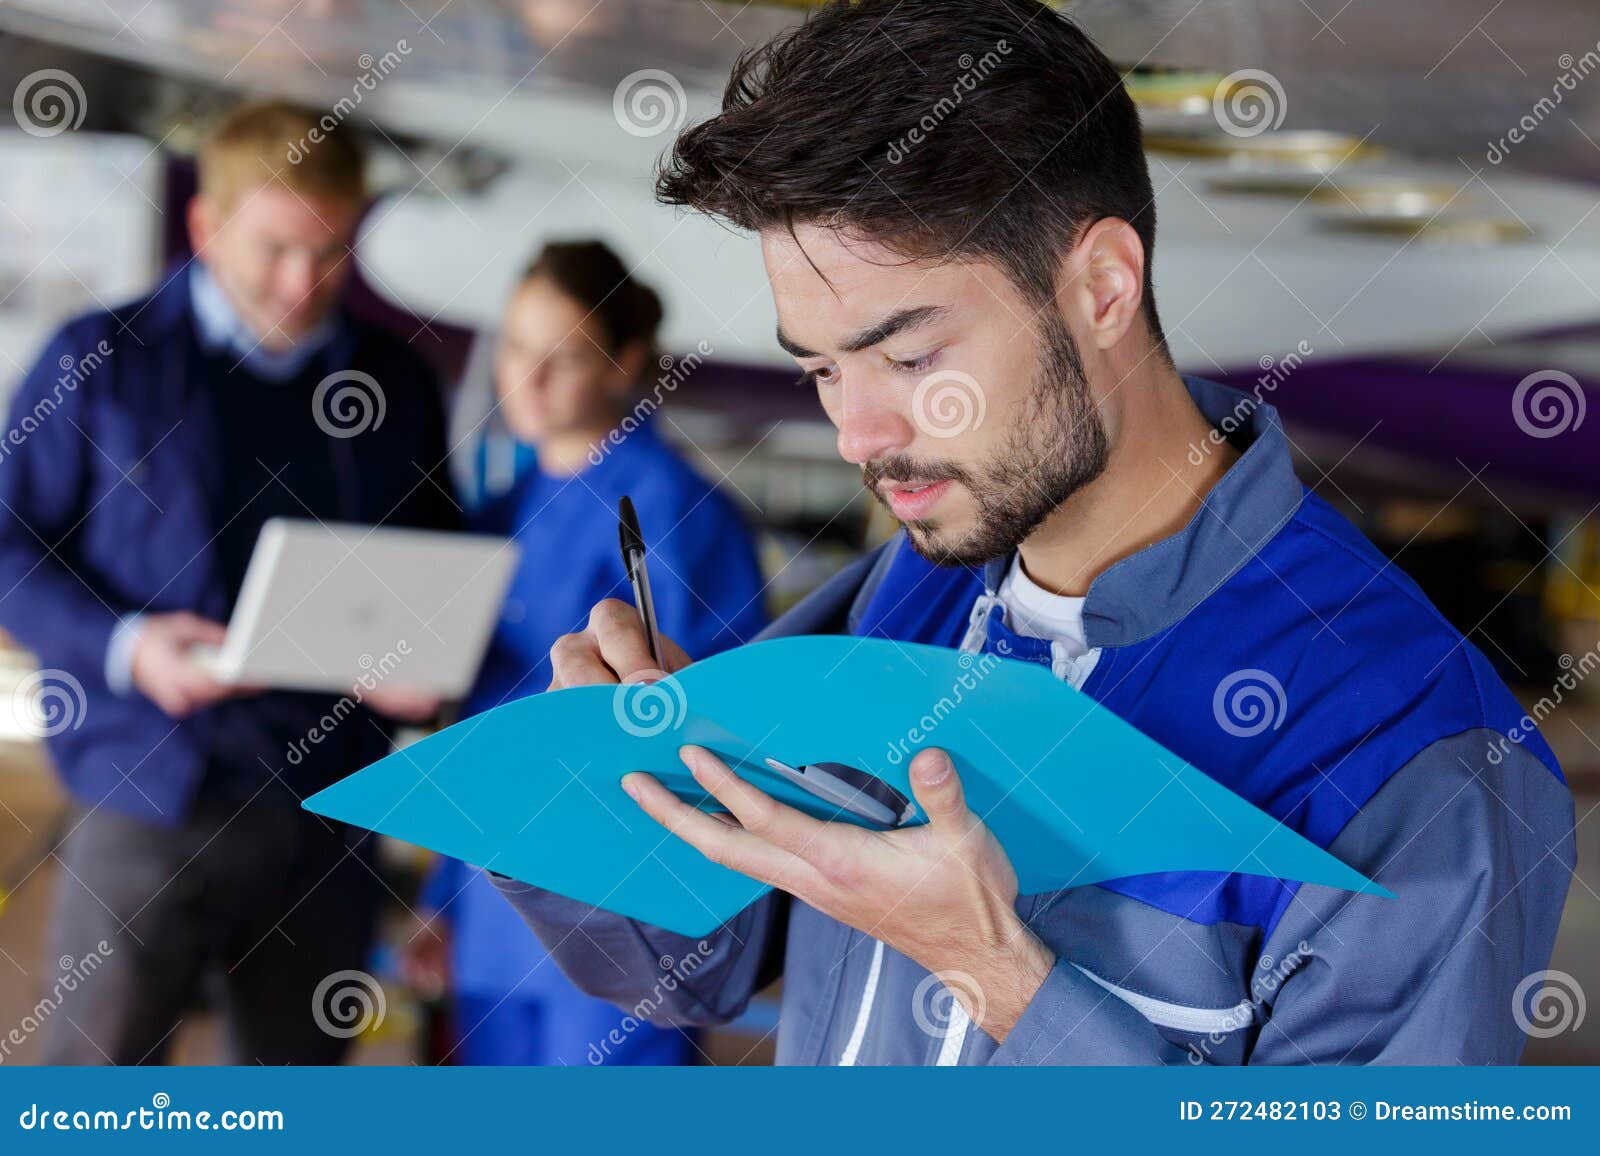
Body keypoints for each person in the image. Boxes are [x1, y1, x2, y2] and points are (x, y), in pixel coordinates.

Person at [490, 0, 1575, 1064]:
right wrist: (600, 781)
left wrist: (999, 971)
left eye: (910, 358)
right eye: (821, 369)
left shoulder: (1417, 760)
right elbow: (696, 964)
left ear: (1101, 286)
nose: (858, 435)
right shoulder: (903, 598)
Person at [0, 101, 455, 1064]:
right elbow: (8, 548)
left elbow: (437, 562)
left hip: (329, 804)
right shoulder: (100, 362)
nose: (304, 283)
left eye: (332, 253)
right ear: (206, 226)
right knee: (96, 1085)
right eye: (275, 250)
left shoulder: (396, 384)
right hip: (148, 791)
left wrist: (423, 657)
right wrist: (125, 646)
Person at [406, 241, 768, 1065]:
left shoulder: (675, 513)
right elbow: (479, 729)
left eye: (561, 356)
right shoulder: (498, 509)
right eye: (515, 347)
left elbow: (720, 728)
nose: (525, 379)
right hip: (497, 894)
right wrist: (444, 896)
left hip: (617, 894)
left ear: (624, 364)